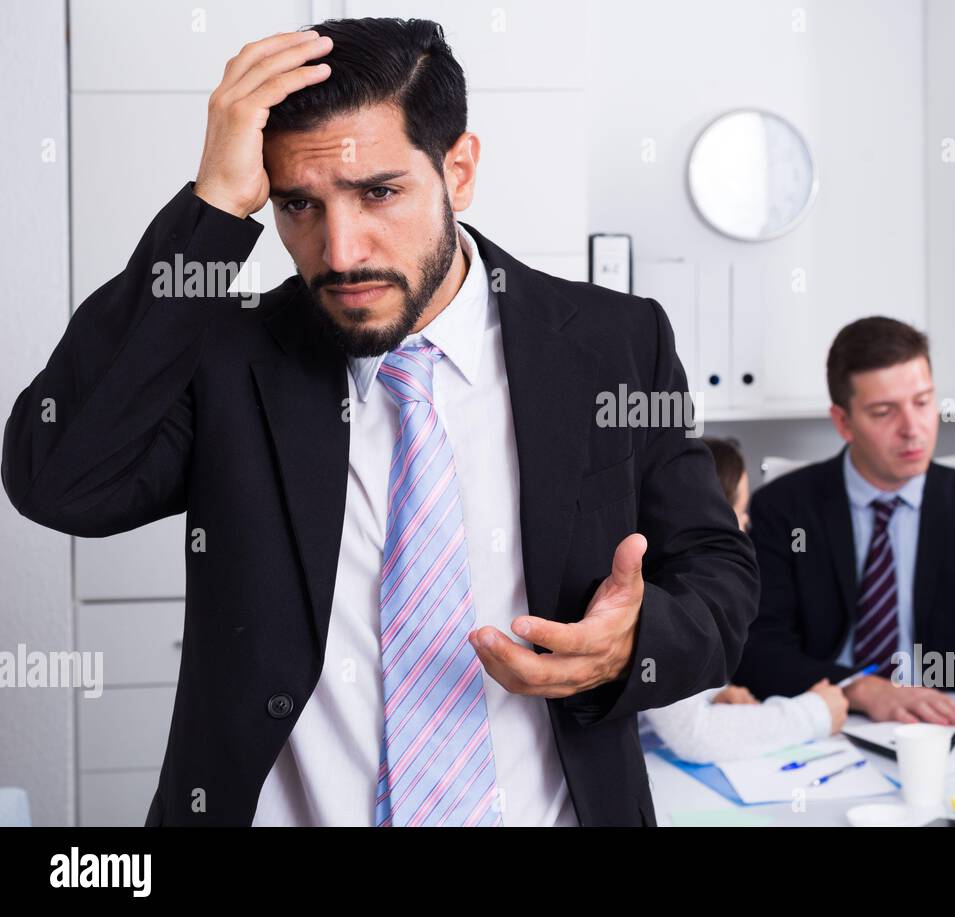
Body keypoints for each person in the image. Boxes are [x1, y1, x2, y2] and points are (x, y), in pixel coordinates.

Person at [0, 19, 759, 827]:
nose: (340, 249)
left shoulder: (616, 341)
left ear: (458, 169)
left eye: (378, 192)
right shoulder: (228, 357)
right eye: (299, 204)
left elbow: (719, 572)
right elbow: (58, 480)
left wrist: (631, 645)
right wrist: (213, 206)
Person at [733, 317, 955, 724]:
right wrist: (859, 688)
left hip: (943, 723)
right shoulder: (782, 509)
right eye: (884, 412)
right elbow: (756, 648)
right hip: (822, 721)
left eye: (922, 403)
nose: (912, 429)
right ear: (843, 422)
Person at [641, 438, 848, 763]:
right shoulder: (658, 592)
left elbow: (659, 706)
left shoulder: (681, 585)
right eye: (740, 513)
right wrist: (815, 713)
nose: (747, 527)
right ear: (712, 516)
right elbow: (695, 735)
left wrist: (713, 693)